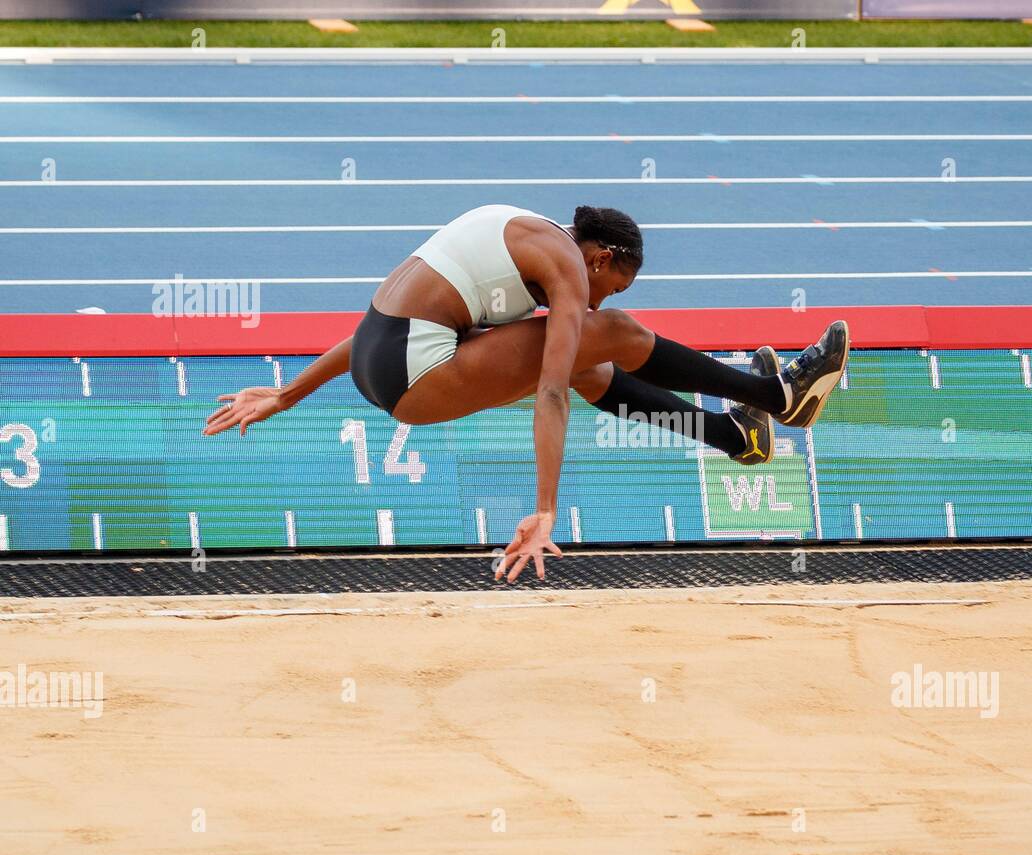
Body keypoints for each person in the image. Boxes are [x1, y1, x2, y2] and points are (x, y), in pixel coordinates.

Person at [203, 204, 848, 582]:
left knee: (589, 366)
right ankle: (778, 394)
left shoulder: (518, 239)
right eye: (612, 284)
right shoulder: (565, 266)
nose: (600, 298)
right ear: (599, 257)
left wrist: (291, 393)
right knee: (611, 338)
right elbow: (548, 394)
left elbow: (381, 331)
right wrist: (544, 509)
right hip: (413, 373)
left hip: (378, 355)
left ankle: (736, 434)